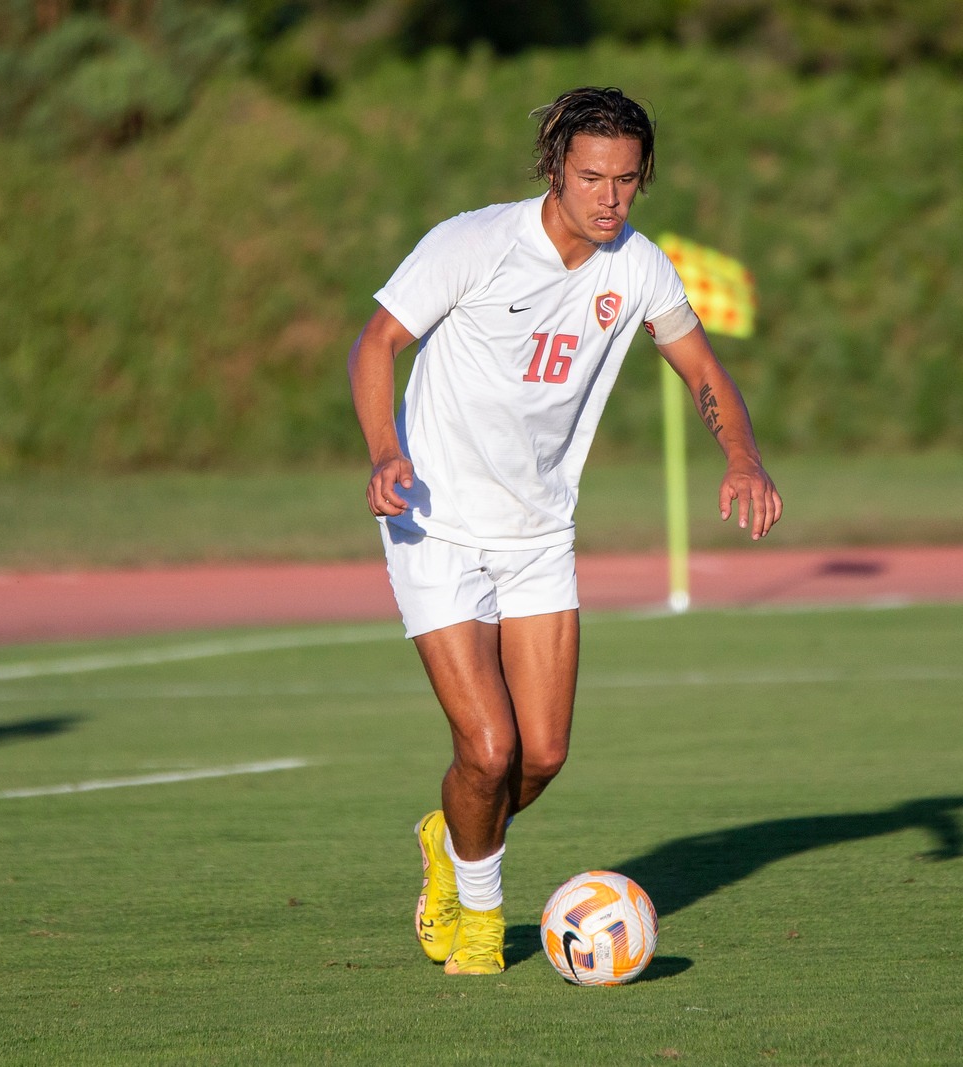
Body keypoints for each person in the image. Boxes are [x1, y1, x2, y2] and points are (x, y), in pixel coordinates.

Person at [346, 87, 782, 975]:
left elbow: (700, 363)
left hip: (538, 530)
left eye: (626, 180)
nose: (609, 199)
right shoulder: (474, 243)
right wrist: (386, 451)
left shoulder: (640, 267)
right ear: (555, 169)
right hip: (432, 520)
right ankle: (474, 921)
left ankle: (452, 836)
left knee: (538, 756)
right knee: (489, 745)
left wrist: (742, 456)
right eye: (591, 177)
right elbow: (376, 343)